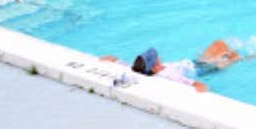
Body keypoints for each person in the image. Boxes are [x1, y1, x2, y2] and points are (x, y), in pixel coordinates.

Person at [102, 40, 244, 92]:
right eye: (156, 58)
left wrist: (111, 60)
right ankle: (245, 58)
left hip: (193, 63)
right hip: (202, 67)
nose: (159, 57)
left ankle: (239, 57)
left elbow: (114, 59)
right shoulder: (169, 76)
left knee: (222, 47)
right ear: (154, 67)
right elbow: (199, 85)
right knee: (224, 48)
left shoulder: (138, 68)